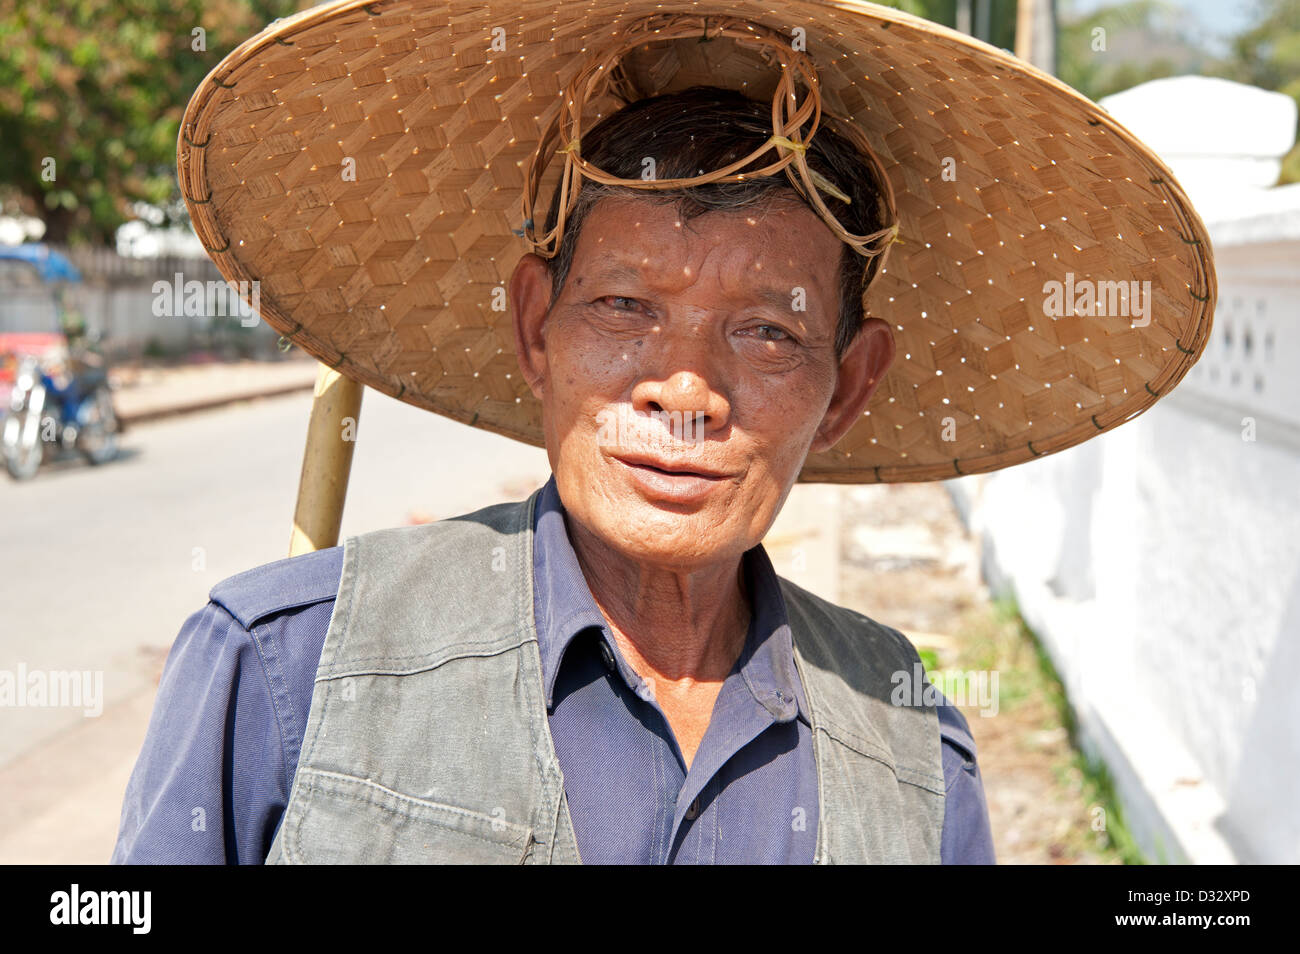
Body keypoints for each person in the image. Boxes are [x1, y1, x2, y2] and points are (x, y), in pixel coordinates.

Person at [113, 2, 1213, 865]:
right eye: (624, 308)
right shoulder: (281, 665)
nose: (683, 388)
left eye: (768, 334)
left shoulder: (912, 740)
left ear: (848, 386)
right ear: (536, 326)